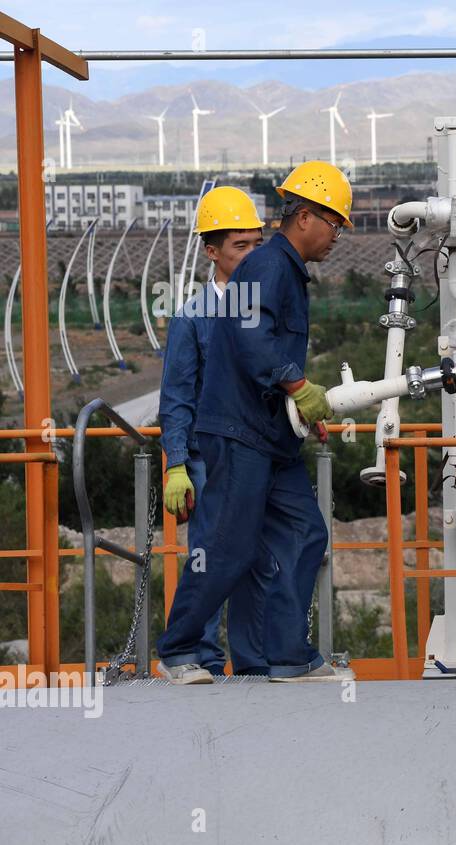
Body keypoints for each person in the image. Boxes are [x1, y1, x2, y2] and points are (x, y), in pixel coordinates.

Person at [156, 160, 352, 685]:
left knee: (305, 533)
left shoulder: (280, 269)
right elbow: (245, 344)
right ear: (306, 217)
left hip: (271, 436)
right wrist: (297, 386)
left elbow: (258, 346)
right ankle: (181, 651)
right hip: (236, 436)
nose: (337, 236)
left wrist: (298, 410)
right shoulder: (263, 270)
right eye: (334, 223)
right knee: (226, 548)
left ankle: (286, 655)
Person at [159, 186, 271, 676]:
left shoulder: (265, 311)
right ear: (211, 251)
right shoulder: (191, 319)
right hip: (209, 462)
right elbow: (176, 398)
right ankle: (195, 656)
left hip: (261, 456)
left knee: (257, 557)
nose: (251, 255)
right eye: (239, 246)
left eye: (256, 244)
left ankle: (252, 659)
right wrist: (177, 464)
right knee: (208, 555)